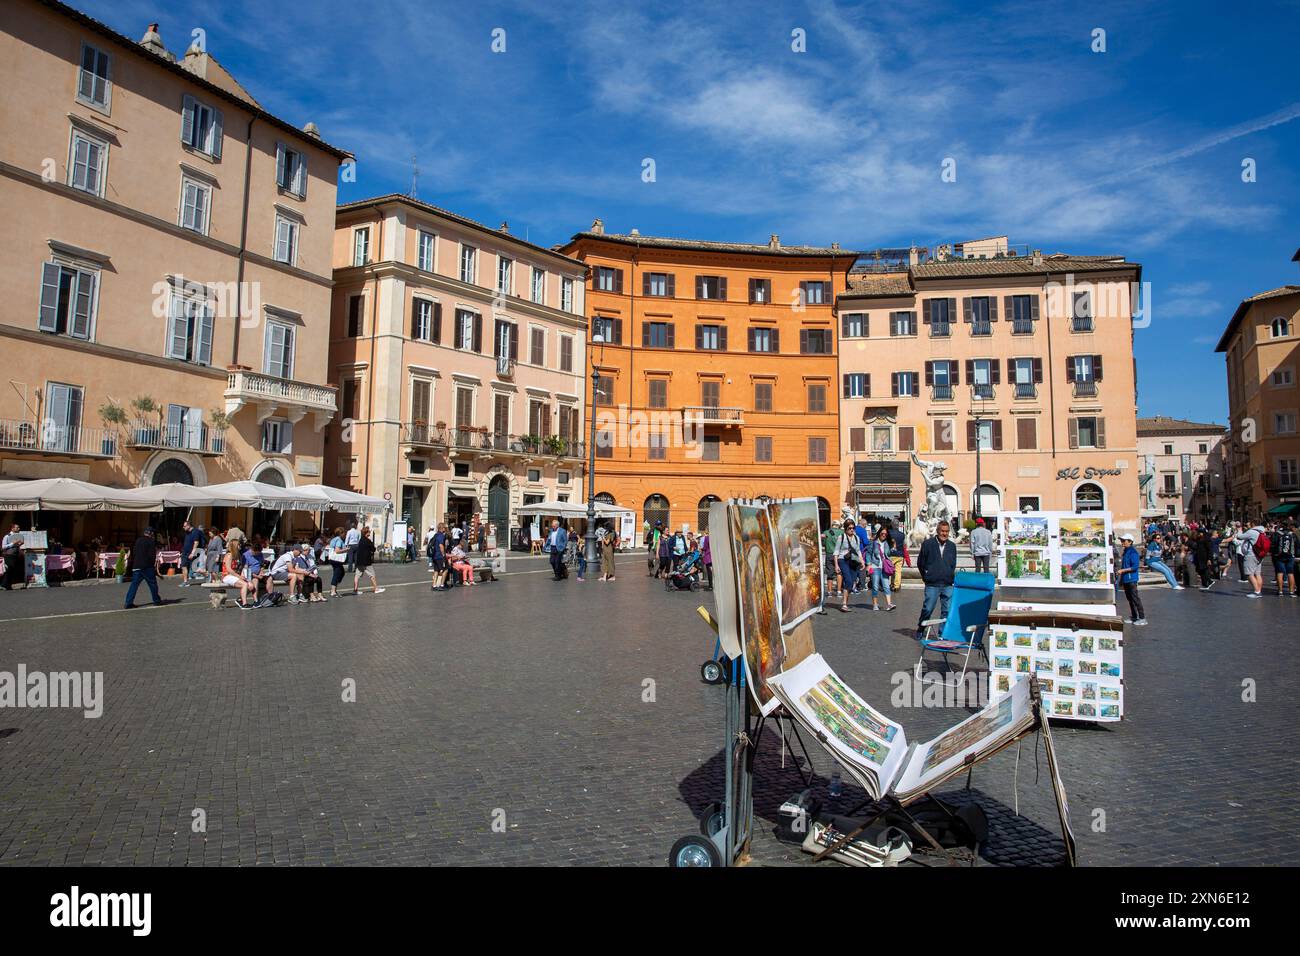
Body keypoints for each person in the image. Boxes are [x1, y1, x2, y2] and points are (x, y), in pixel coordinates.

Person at [915, 520, 957, 639]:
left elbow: (953, 564)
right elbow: (920, 563)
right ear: (937, 531)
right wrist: (927, 576)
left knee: (947, 611)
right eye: (942, 531)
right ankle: (921, 627)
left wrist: (949, 574)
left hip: (947, 583)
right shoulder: (928, 544)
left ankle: (942, 633)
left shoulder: (952, 546)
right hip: (932, 583)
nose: (944, 534)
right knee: (928, 608)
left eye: (947, 531)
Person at [124, 526, 164, 609]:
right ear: (151, 533)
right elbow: (152, 555)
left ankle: (128, 602)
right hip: (147, 566)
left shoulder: (138, 540)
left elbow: (133, 552)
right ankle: (156, 600)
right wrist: (153, 565)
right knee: (153, 584)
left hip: (137, 566)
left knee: (134, 585)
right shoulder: (151, 541)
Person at [832, 518, 862, 612]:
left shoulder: (857, 538)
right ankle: (844, 604)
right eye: (849, 528)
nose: (852, 530)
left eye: (853, 528)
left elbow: (858, 551)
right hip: (843, 560)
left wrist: (862, 561)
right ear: (845, 529)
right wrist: (836, 565)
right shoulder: (841, 537)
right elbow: (836, 551)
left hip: (853, 561)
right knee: (848, 580)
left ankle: (845, 602)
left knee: (852, 582)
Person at [1118, 533, 1147, 624]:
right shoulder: (1126, 551)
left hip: (1131, 579)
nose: (1122, 542)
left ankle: (1142, 618)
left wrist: (1122, 571)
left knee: (1135, 598)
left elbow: (1135, 567)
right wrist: (1121, 579)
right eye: (1122, 540)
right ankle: (1134, 616)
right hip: (1126, 579)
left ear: (1130, 542)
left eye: (1124, 541)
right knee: (1130, 599)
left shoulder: (1133, 552)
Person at [867, 526, 897, 611]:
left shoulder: (887, 543)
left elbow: (888, 554)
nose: (884, 535)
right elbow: (869, 554)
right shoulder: (873, 542)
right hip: (875, 566)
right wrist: (868, 564)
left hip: (884, 567)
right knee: (875, 586)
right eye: (882, 533)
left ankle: (889, 604)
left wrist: (893, 547)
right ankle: (875, 604)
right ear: (879, 533)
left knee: (886, 586)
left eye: (885, 534)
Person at [1234, 523, 1267, 598]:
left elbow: (1239, 537)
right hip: (1259, 554)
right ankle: (1259, 590)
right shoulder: (1262, 531)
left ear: (1252, 525)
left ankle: (1257, 591)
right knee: (1257, 574)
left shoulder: (1252, 531)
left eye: (1248, 525)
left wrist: (1239, 530)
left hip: (1251, 555)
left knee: (1249, 574)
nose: (1246, 526)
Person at [219, 539, 253, 608]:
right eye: (238, 544)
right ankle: (244, 604)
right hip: (227, 576)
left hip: (236, 576)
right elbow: (229, 569)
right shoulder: (229, 555)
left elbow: (240, 568)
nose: (240, 545)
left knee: (251, 586)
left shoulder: (238, 555)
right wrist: (239, 577)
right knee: (245, 584)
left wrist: (243, 574)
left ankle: (240, 599)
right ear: (235, 545)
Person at [352, 526, 384, 594]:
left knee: (357, 576)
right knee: (372, 575)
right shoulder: (368, 540)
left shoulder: (360, 540)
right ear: (367, 533)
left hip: (359, 561)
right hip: (366, 562)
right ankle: (376, 589)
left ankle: (355, 590)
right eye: (369, 531)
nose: (370, 532)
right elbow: (373, 549)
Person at [1272, 521, 1298, 597]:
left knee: (1280, 573)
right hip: (1290, 556)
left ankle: (1280, 591)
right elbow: (1297, 545)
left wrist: (1275, 553)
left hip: (1280, 556)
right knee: (1291, 573)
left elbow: (1273, 544)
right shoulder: (1292, 534)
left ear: (1281, 525)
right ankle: (1291, 592)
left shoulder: (1277, 534)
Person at [179, 521, 206, 586]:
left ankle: (207, 575)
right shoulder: (186, 532)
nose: (183, 527)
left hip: (193, 553)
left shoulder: (196, 532)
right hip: (185, 552)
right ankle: (185, 582)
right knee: (183, 566)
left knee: (196, 569)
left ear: (189, 526)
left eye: (184, 526)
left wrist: (192, 553)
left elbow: (196, 543)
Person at [822, 521, 843, 599]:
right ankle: (839, 591)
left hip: (829, 554)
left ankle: (830, 592)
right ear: (839, 525)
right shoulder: (842, 532)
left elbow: (823, 543)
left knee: (829, 573)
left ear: (832, 525)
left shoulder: (826, 532)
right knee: (839, 573)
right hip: (839, 555)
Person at [2, 523, 24, 590]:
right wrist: (13, 543)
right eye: (17, 527)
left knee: (13, 570)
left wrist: (20, 544)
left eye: (18, 527)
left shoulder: (18, 536)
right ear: (12, 528)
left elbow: (16, 546)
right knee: (9, 569)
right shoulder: (7, 536)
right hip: (8, 555)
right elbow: (3, 547)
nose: (18, 529)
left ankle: (8, 585)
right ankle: (4, 584)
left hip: (15, 555)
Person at [430, 522, 449, 590]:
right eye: (445, 528)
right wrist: (444, 555)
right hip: (439, 556)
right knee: (445, 569)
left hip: (434, 556)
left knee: (436, 570)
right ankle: (442, 585)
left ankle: (434, 585)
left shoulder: (436, 535)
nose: (445, 529)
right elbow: (441, 545)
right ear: (442, 528)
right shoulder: (441, 536)